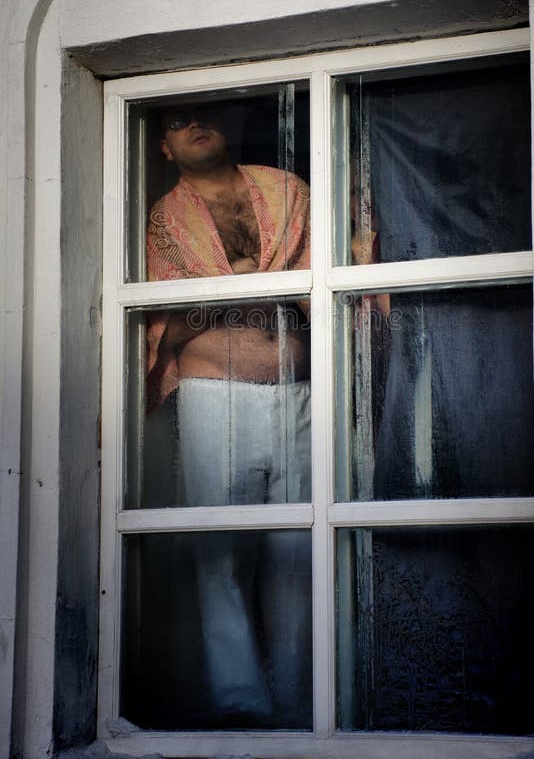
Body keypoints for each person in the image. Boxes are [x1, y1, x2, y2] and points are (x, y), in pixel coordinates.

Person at [145, 105, 312, 728]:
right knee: (218, 553)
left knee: (302, 550)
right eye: (178, 122)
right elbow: (166, 324)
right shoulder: (165, 220)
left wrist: (256, 283)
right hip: (214, 393)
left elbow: (324, 280)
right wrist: (237, 284)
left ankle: (302, 702)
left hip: (301, 392)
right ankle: (243, 704)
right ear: (164, 147)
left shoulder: (287, 191)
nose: (195, 125)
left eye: (204, 114)